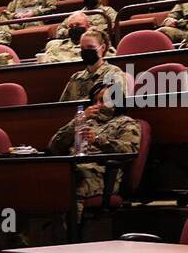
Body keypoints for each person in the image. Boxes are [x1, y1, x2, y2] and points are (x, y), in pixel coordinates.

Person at [47, 81, 141, 214]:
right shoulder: (85, 121)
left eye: (102, 100)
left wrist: (98, 140)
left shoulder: (126, 123)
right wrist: (78, 120)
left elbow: (130, 151)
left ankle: (72, 230)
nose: (97, 105)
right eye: (95, 101)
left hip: (102, 174)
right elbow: (54, 146)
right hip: (73, 166)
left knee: (74, 177)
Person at [58, 29, 127, 102]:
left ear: (103, 47)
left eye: (91, 47)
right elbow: (63, 107)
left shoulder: (113, 73)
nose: (86, 51)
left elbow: (116, 104)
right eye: (82, 48)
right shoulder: (75, 78)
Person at [40, 12, 116, 63]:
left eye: (78, 25)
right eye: (71, 26)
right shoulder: (54, 46)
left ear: (88, 26)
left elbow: (113, 61)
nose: (74, 28)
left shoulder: (97, 44)